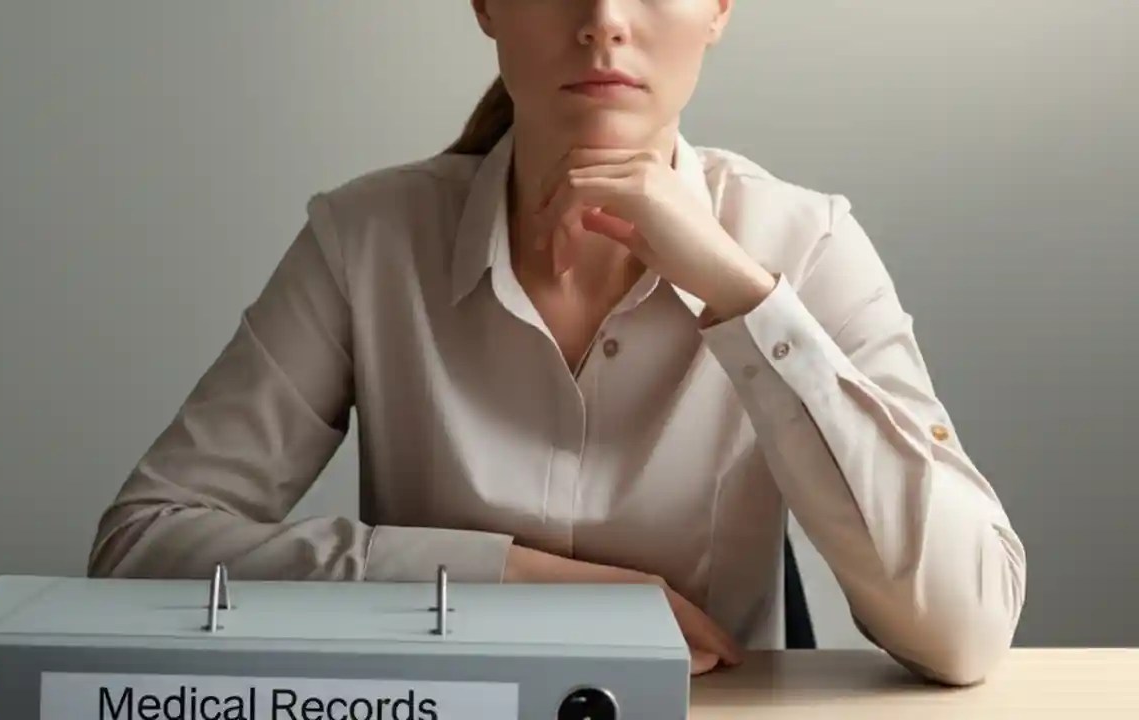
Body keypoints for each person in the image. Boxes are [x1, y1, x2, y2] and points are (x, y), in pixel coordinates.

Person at [87, 0, 1026, 685]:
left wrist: (742, 295)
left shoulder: (804, 242)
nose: (605, 18)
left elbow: (968, 628)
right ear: (487, 5)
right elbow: (142, 546)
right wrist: (526, 586)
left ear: (719, 9)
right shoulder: (364, 238)